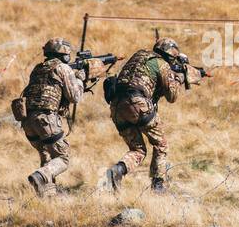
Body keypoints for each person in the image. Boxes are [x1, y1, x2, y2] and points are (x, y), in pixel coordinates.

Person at [104, 37, 194, 192]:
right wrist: (179, 78)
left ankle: (117, 170)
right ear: (169, 55)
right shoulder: (162, 64)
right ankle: (158, 185)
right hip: (138, 104)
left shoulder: (139, 56)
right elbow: (172, 97)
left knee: (138, 150)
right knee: (160, 144)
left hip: (117, 108)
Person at [15, 38, 102, 197]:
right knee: (62, 158)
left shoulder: (38, 68)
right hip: (46, 119)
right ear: (65, 54)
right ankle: (40, 176)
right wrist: (81, 79)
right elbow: (75, 97)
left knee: (47, 155)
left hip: (27, 119)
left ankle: (48, 197)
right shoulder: (63, 68)